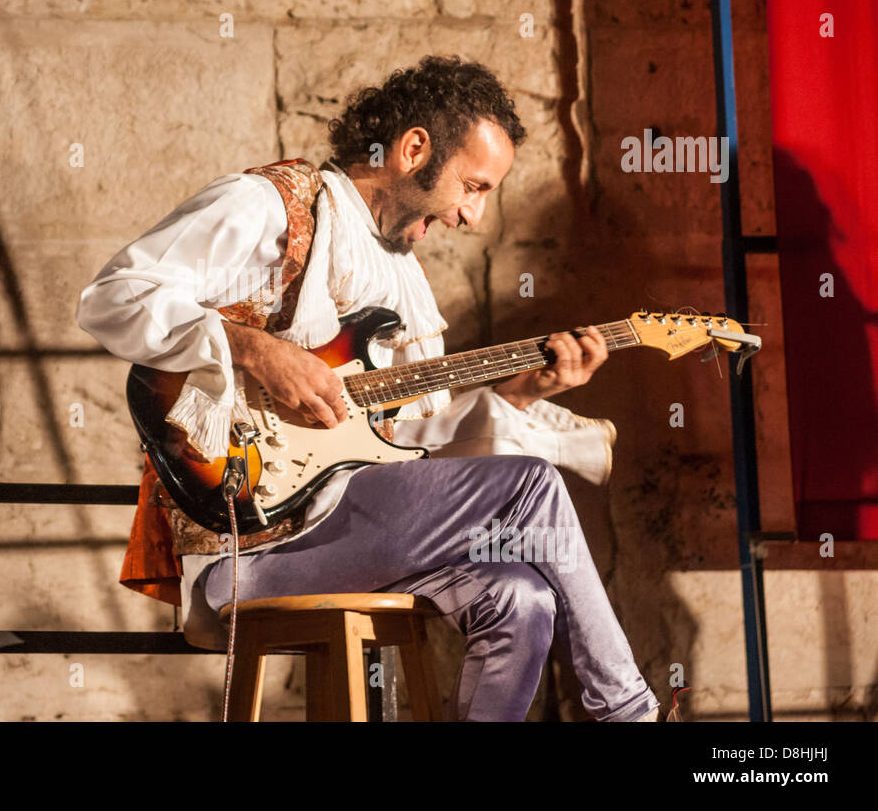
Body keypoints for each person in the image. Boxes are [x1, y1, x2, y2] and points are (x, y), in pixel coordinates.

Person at [77, 55, 660, 722]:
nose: (473, 216)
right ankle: (630, 712)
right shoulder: (273, 206)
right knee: (530, 484)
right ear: (414, 150)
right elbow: (113, 297)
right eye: (473, 187)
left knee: (522, 598)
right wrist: (256, 349)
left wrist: (522, 394)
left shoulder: (400, 278)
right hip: (250, 547)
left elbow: (406, 447)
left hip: (354, 530)